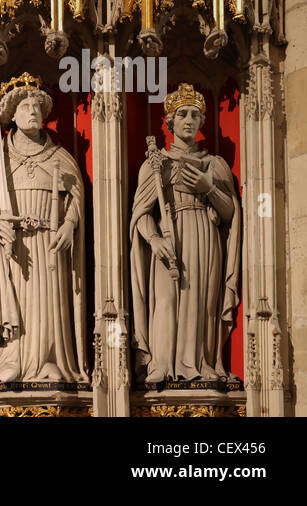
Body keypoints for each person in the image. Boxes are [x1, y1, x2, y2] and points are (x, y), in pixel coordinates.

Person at [0, 73, 89, 385]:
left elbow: (77, 197)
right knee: (17, 300)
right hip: (14, 245)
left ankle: (52, 359)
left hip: (50, 240)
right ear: (11, 115)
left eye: (37, 106)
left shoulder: (60, 158)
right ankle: (11, 360)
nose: (33, 111)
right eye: (25, 106)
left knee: (49, 303)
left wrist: (69, 223)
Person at [130, 82, 241, 383]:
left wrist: (210, 190)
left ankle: (202, 364)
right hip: (169, 236)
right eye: (182, 115)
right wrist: (154, 240)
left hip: (205, 235)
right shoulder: (155, 165)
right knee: (165, 302)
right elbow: (140, 214)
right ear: (170, 122)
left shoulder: (214, 164)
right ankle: (162, 365)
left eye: (195, 115)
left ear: (203, 121)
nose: (189, 120)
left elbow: (231, 214)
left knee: (203, 303)